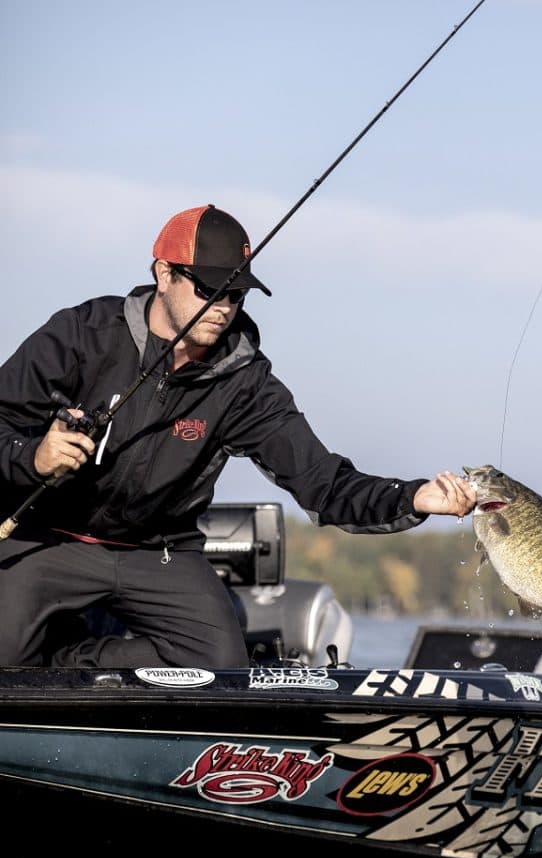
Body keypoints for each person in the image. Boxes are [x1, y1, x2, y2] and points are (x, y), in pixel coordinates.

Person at [0, 204, 476, 669]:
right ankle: (36, 661)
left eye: (236, 294)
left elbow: (324, 483)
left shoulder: (245, 382)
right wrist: (33, 459)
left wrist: (415, 497)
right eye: (210, 288)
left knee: (218, 668)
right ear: (164, 273)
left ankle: (64, 661)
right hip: (47, 536)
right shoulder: (81, 335)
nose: (223, 307)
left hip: (157, 551)